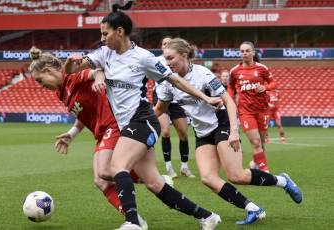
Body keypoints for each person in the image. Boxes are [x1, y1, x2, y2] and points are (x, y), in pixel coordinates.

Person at [64, 3, 222, 230]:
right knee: (154, 183)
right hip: (129, 125)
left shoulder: (143, 57)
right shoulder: (103, 54)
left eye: (105, 33)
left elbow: (175, 80)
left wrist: (205, 98)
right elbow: (70, 71)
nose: (102, 38)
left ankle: (132, 223)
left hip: (143, 120)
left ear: (119, 31)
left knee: (117, 164)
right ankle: (207, 217)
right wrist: (71, 61)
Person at [154, 37, 303, 225]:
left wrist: (233, 131)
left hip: (222, 125)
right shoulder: (168, 82)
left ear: (184, 55)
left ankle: (283, 181)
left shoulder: (203, 75)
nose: (167, 63)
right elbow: (159, 109)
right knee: (208, 178)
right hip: (202, 132)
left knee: (236, 175)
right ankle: (253, 209)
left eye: (170, 58)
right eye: (165, 59)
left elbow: (229, 102)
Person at [27, 47, 151, 229]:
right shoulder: (60, 92)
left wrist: (99, 80)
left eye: (40, 80)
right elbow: (83, 114)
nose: (40, 85)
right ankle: (136, 218)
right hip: (101, 132)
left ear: (48, 71)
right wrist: (71, 134)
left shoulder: (72, 76)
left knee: (104, 171)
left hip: (112, 123)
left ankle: (149, 183)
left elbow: (96, 71)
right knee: (101, 181)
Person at [228, 41, 276, 172]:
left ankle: (255, 164)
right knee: (255, 142)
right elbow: (231, 87)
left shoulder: (262, 68)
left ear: (253, 52)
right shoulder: (235, 71)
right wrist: (229, 100)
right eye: (242, 51)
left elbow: (273, 83)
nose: (245, 53)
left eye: (247, 51)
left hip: (263, 110)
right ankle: (265, 172)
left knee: (261, 143)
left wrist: (265, 87)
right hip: (246, 111)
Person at [155, 36, 194, 178]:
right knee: (165, 131)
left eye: (169, 44)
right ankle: (169, 166)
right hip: (161, 98)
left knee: (183, 134)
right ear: (161, 46)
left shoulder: (177, 59)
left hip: (177, 99)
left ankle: (184, 166)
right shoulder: (157, 61)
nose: (166, 45)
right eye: (164, 43)